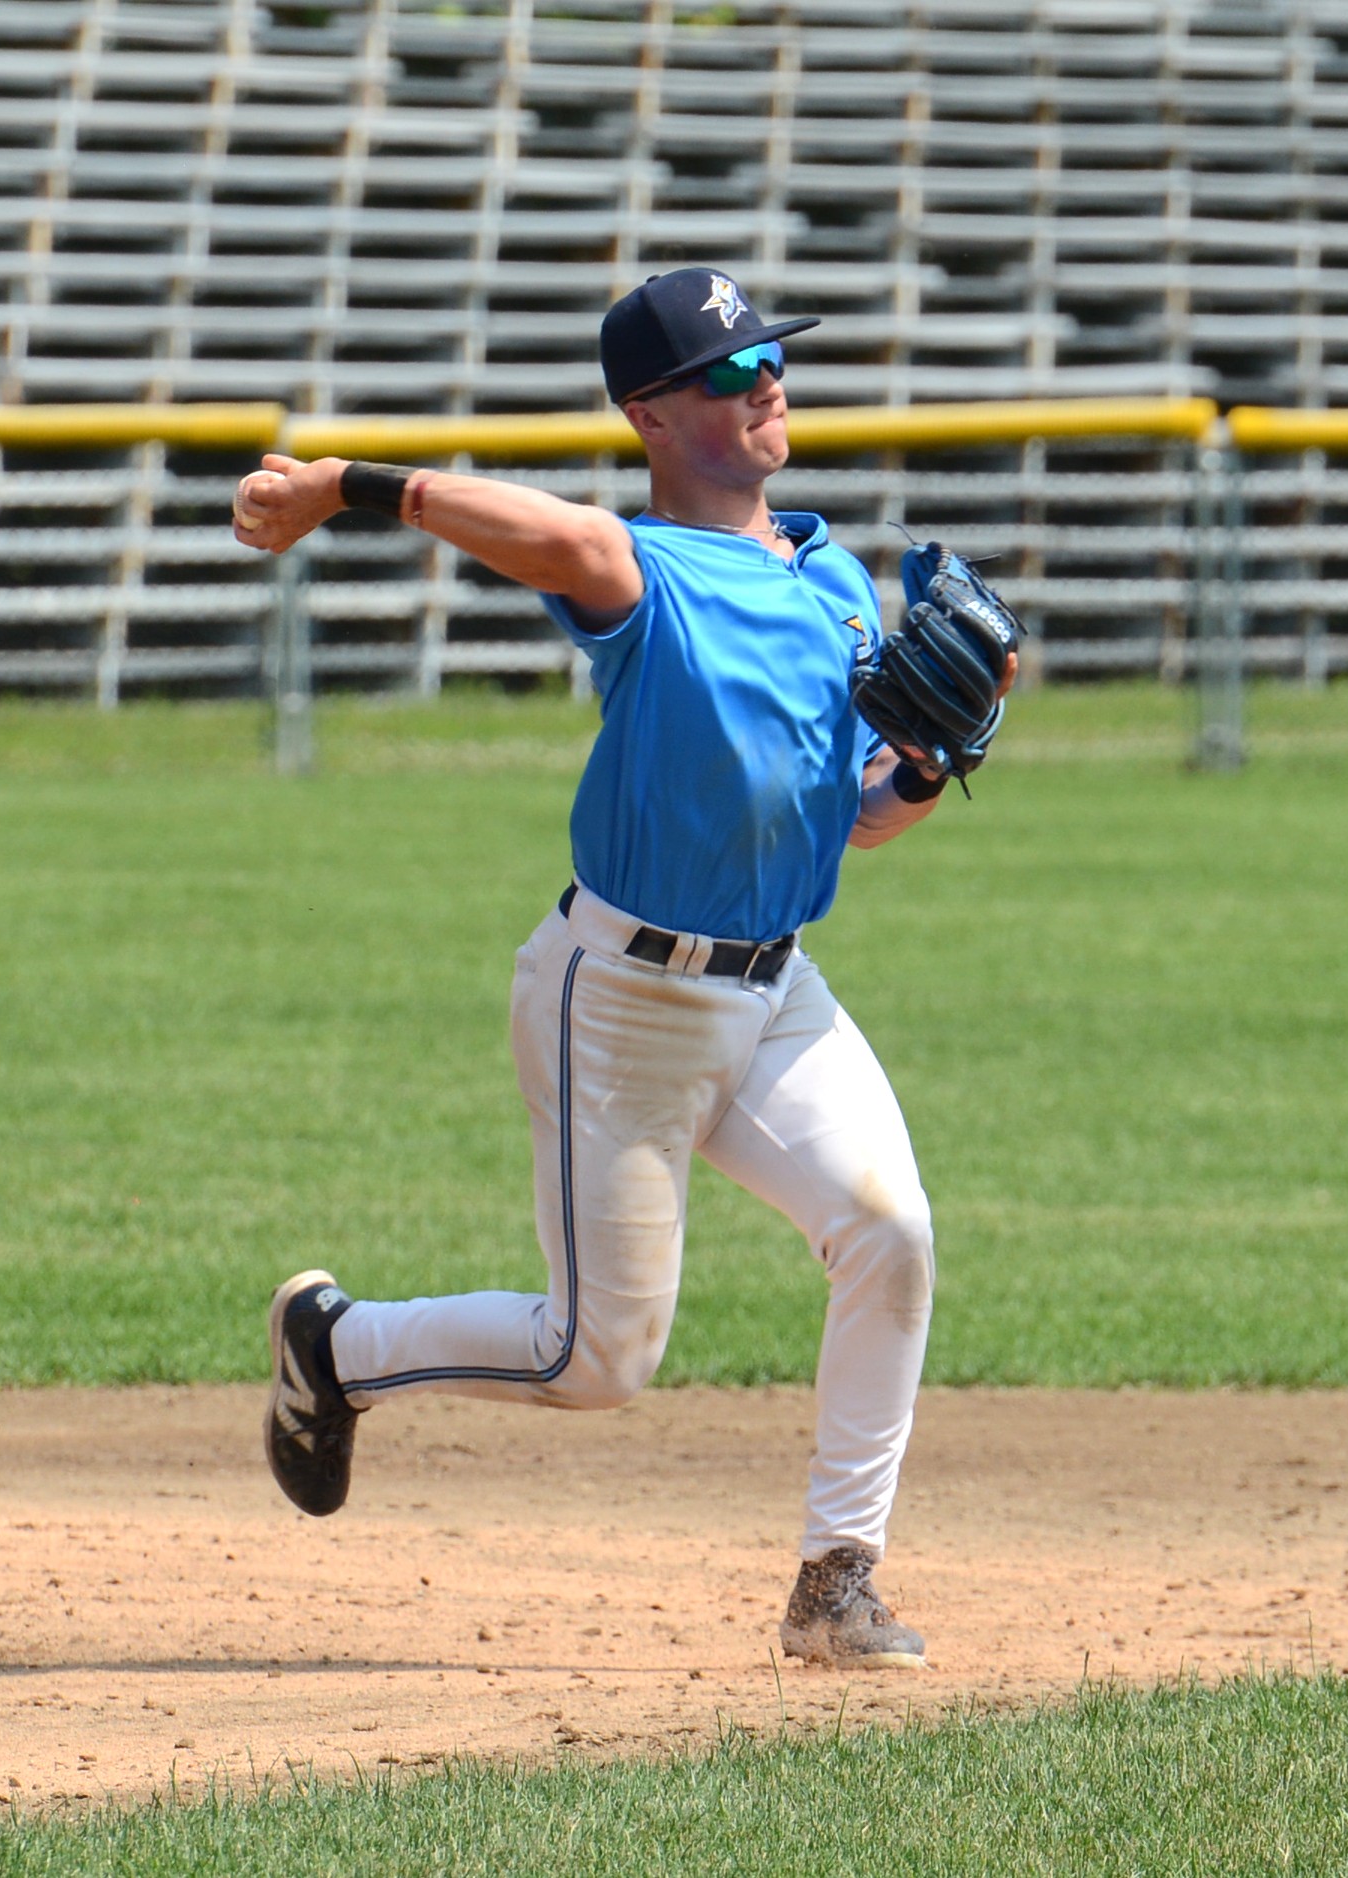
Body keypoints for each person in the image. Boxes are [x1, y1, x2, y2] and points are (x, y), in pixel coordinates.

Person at [227, 267, 1005, 1667]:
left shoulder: (832, 581)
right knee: (593, 1361)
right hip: (624, 1004)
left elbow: (857, 818)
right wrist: (346, 482)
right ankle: (334, 1347)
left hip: (776, 992)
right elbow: (550, 531)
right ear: (650, 412)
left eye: (772, 356)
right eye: (730, 369)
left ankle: (837, 1583)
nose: (767, 379)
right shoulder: (641, 571)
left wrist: (935, 763)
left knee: (891, 1229)